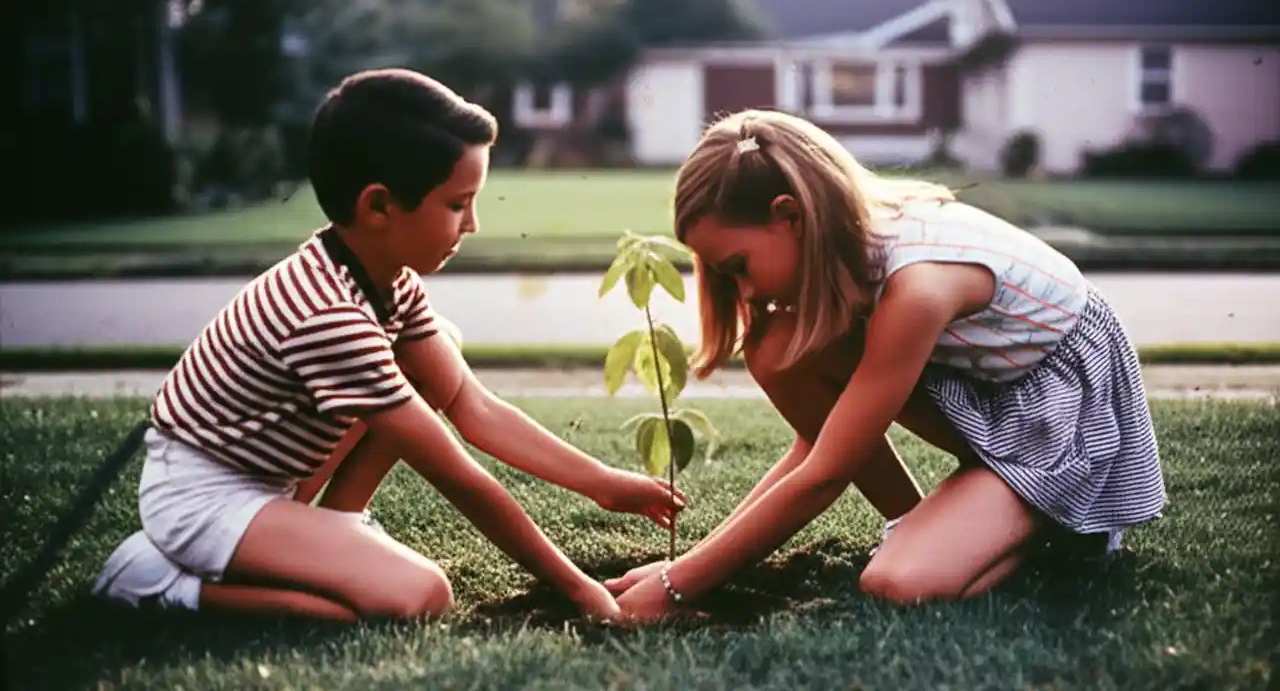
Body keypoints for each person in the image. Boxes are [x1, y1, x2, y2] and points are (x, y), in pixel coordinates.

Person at [92, 69, 683, 622]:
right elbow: (459, 475)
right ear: (378, 205)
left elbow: (473, 408)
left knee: (435, 351)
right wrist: (579, 588)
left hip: (273, 478)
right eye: (457, 204)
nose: (473, 224)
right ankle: (158, 580)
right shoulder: (325, 313)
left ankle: (336, 524)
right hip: (206, 500)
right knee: (417, 596)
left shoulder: (387, 279)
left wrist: (602, 482)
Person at [604, 109, 1165, 620]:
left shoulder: (917, 284)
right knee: (777, 345)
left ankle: (1069, 532)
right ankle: (919, 523)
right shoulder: (850, 249)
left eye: (739, 266)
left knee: (898, 582)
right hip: (990, 393)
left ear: (789, 214)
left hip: (1061, 418)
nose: (743, 292)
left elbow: (823, 473)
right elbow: (822, 444)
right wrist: (692, 568)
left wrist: (679, 587)